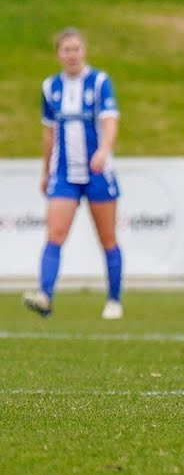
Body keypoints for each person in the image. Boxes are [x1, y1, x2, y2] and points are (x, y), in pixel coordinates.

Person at [23, 28, 124, 320]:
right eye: (66, 50)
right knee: (54, 234)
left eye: (76, 49)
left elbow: (110, 121)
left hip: (97, 173)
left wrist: (104, 149)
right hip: (65, 174)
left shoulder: (99, 82)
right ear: (58, 54)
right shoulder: (50, 87)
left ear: (85, 51)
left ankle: (114, 300)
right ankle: (44, 296)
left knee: (107, 237)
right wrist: (45, 172)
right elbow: (49, 133)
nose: (71, 54)